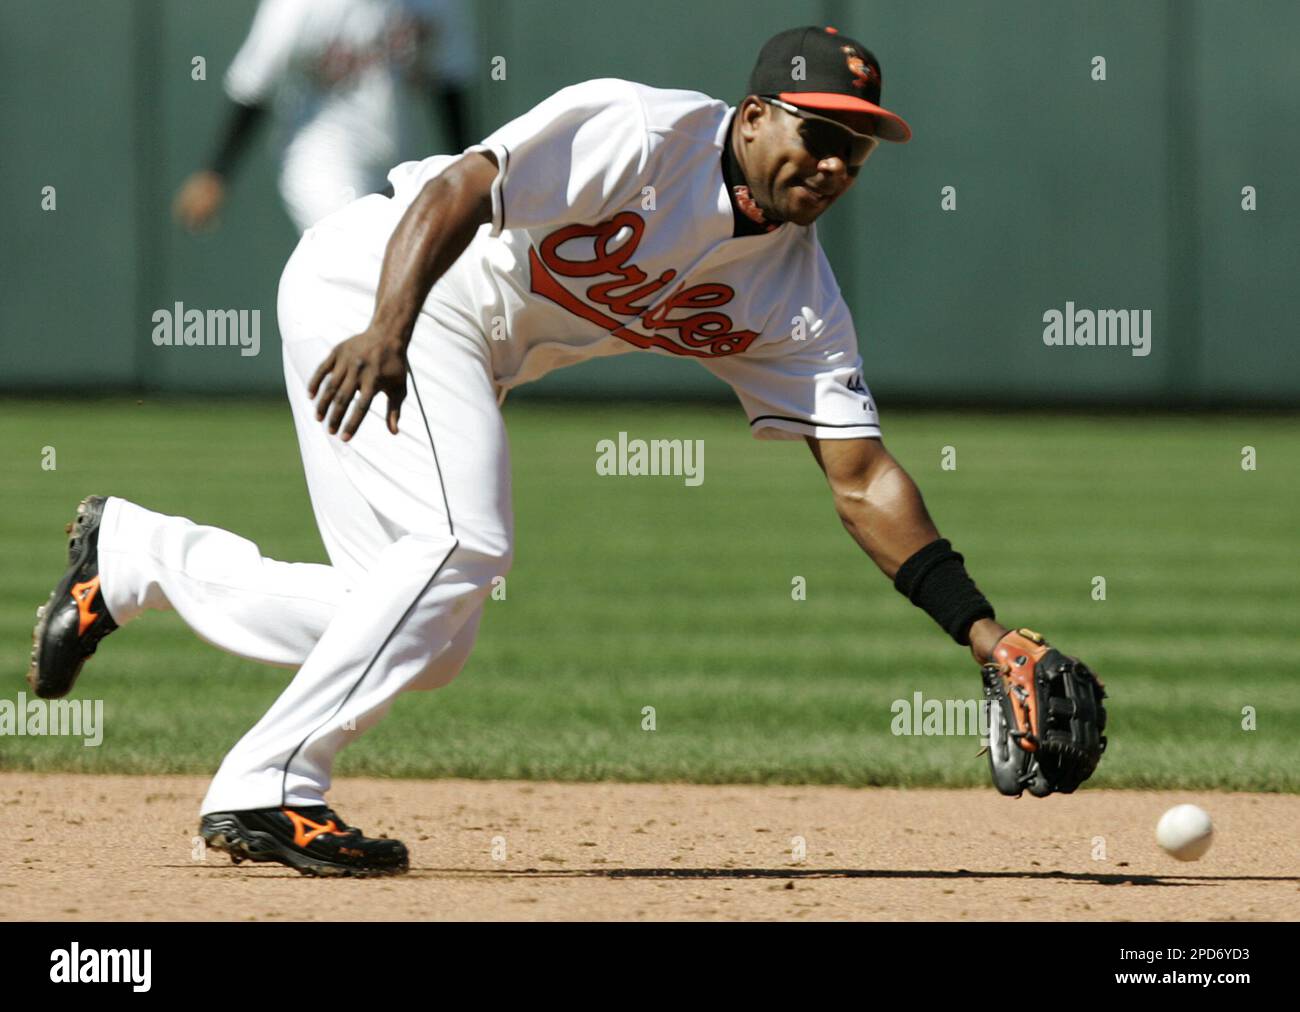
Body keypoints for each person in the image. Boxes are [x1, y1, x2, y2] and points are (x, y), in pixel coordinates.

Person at [29, 26, 1103, 878]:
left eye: (853, 149)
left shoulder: (795, 298)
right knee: (462, 544)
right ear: (754, 115)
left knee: (423, 629)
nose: (831, 163)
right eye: (815, 133)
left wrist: (984, 635)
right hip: (385, 283)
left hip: (442, 338)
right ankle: (268, 782)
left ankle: (135, 559)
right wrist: (389, 330)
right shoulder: (641, 133)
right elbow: (460, 187)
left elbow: (862, 476)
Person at [173, 0, 474, 234]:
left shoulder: (434, 4)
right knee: (358, 254)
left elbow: (449, 85)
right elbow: (253, 85)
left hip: (399, 162)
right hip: (321, 160)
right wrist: (215, 173)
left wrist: (467, 169)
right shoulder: (301, 6)